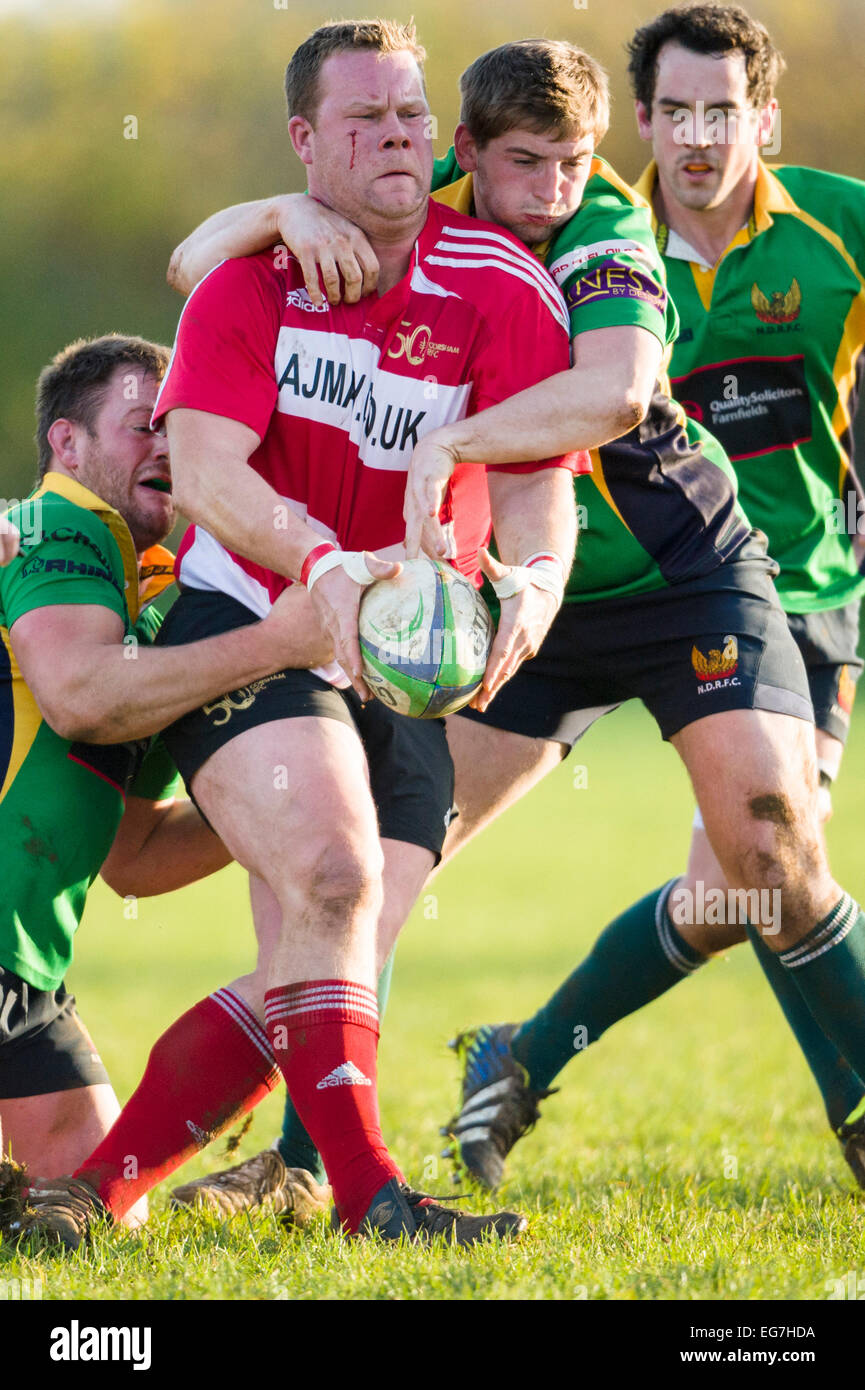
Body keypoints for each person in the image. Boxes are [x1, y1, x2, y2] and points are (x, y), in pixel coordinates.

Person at [172, 26, 865, 1206]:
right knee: (368, 880)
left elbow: (618, 388)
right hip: (495, 603)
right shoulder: (417, 202)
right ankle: (300, 1166)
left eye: (574, 163)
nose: (552, 191)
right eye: (524, 166)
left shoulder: (602, 222)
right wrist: (282, 215)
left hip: (670, 571)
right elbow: (197, 265)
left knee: (763, 848)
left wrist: (451, 441)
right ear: (466, 155)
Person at [11, 18, 580, 1250]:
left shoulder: (499, 284)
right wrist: (320, 568)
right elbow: (207, 471)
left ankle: (85, 1201)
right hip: (255, 614)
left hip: (410, 661)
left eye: (414, 116)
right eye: (366, 117)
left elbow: (540, 483)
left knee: (316, 978)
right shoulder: (247, 279)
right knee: (332, 876)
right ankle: (375, 1199)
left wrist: (531, 586)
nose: (398, 136)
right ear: (305, 141)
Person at [0, 333, 338, 1227]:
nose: (167, 445)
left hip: (24, 974)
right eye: (142, 424)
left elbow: (138, 855)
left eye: (180, 427)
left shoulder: (152, 608)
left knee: (98, 1212)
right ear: (66, 445)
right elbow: (77, 698)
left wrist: (296, 800)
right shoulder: (49, 526)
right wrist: (281, 644)